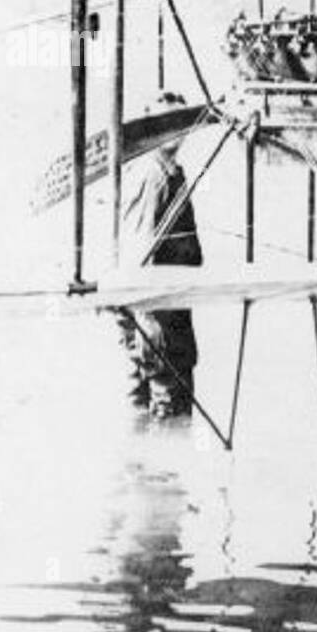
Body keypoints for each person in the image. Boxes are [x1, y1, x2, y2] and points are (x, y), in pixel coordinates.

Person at [119, 92, 203, 419]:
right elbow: (141, 253)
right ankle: (162, 467)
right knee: (170, 406)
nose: (174, 130)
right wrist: (148, 324)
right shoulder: (152, 175)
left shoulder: (169, 170)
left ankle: (141, 463)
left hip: (169, 306)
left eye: (181, 122)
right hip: (156, 312)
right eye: (165, 122)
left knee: (147, 403)